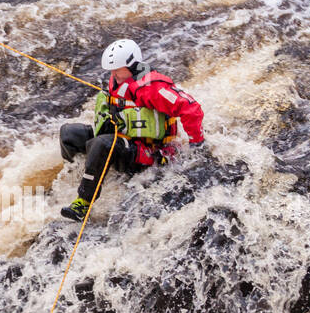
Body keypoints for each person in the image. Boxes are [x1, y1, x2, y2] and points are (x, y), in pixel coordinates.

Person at [58, 38, 205, 221]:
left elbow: (192, 108)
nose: (114, 74)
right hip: (123, 140)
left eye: (118, 69)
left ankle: (83, 203)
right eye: (112, 70)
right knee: (69, 133)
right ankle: (84, 175)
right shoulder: (118, 80)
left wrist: (197, 144)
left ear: (132, 65)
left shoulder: (153, 88)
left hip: (150, 154)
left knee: (102, 143)